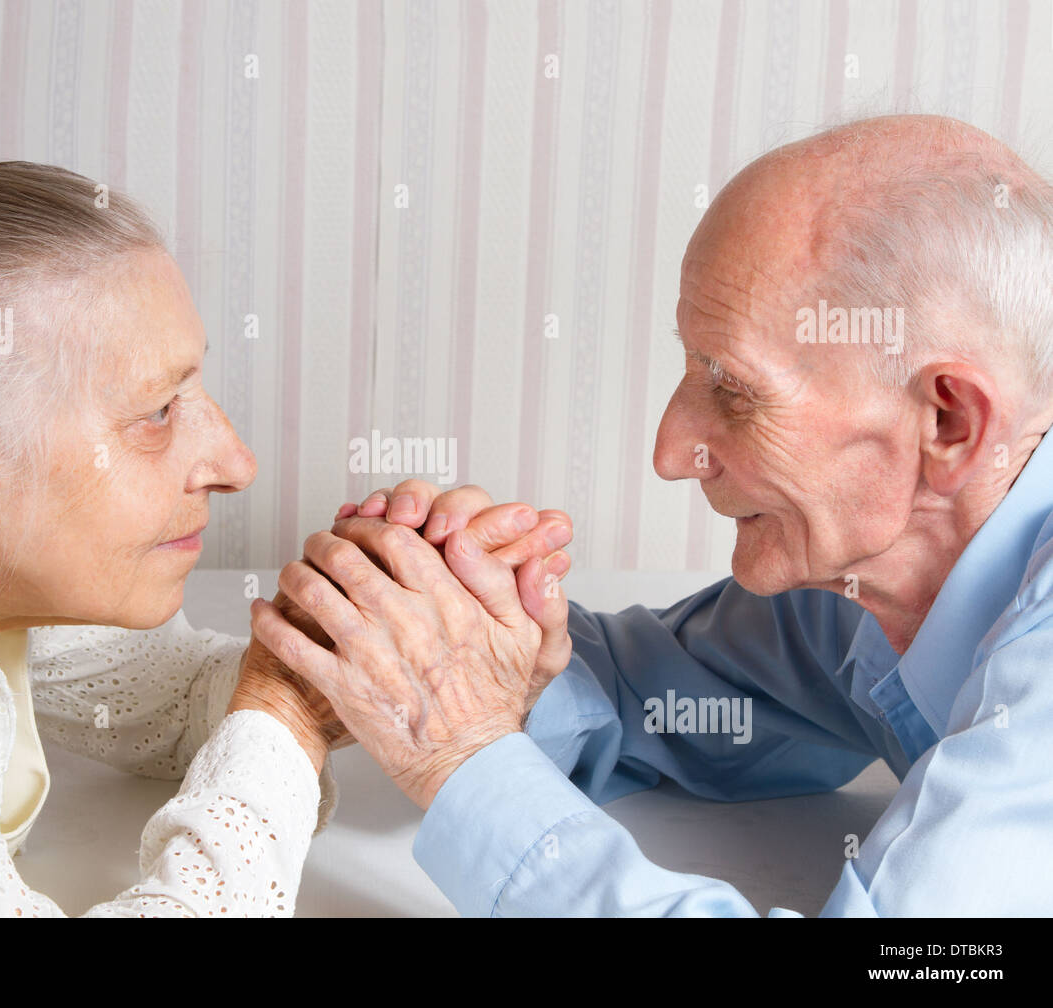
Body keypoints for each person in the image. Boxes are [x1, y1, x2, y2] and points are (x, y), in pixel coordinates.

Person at [254, 115, 1053, 915]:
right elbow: (665, 696)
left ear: (948, 424)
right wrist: (487, 643)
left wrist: (464, 755)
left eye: (733, 391)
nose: (672, 452)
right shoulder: (860, 590)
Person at [0, 161, 572, 916]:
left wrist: (382, 635)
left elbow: (174, 702)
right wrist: (283, 708)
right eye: (157, 412)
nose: (236, 463)